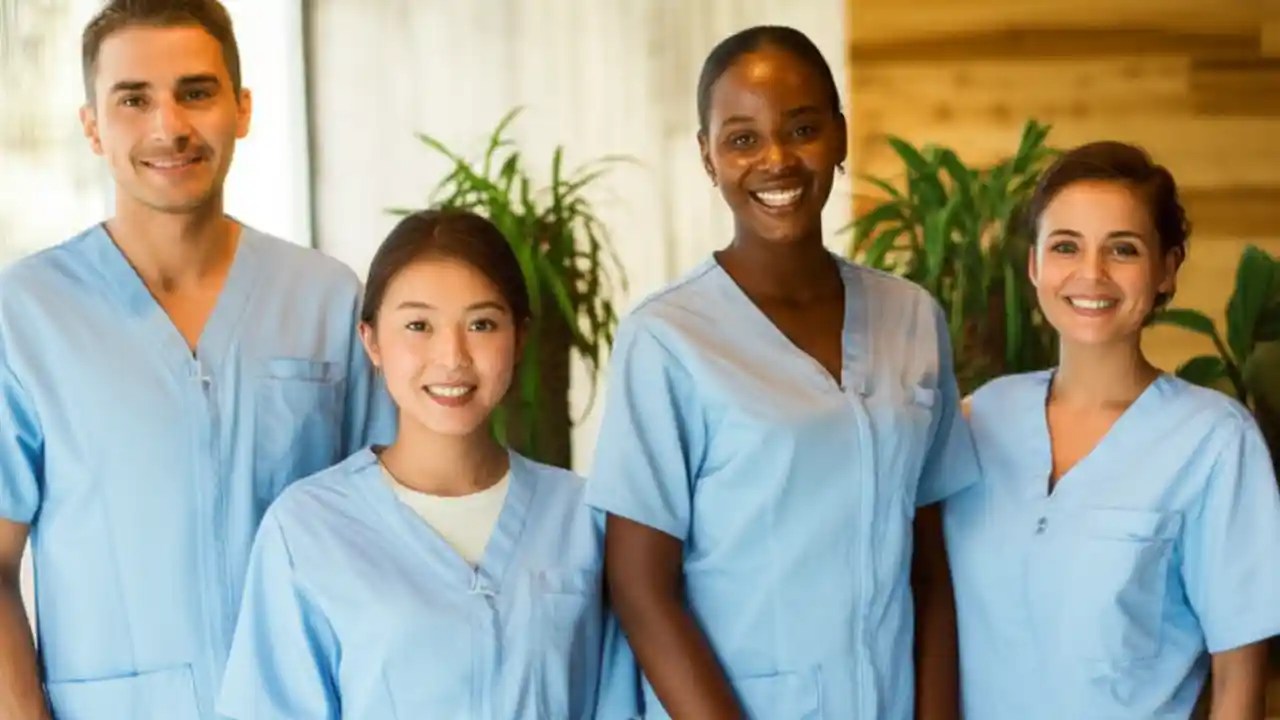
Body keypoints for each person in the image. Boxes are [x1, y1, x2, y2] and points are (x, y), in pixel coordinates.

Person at [0, 2, 390, 718]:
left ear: (242, 109)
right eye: (133, 99)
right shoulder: (25, 313)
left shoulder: (325, 299)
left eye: (196, 92)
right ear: (91, 125)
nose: (168, 126)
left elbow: (384, 533)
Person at [585, 25, 977, 720]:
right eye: (742, 139)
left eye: (801, 128)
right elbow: (640, 589)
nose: (777, 160)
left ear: (840, 136)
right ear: (707, 156)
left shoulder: (912, 318)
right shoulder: (668, 339)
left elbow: (931, 567)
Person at [218, 208, 636, 719]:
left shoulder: (585, 518)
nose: (453, 357)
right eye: (418, 325)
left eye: (482, 324)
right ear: (371, 340)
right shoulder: (307, 529)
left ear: (519, 337)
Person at [945, 141, 1280, 719]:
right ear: (1035, 266)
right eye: (1065, 246)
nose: (1091, 274)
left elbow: (1238, 682)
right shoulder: (982, 418)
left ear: (1166, 269)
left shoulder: (1214, 442)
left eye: (1121, 249)